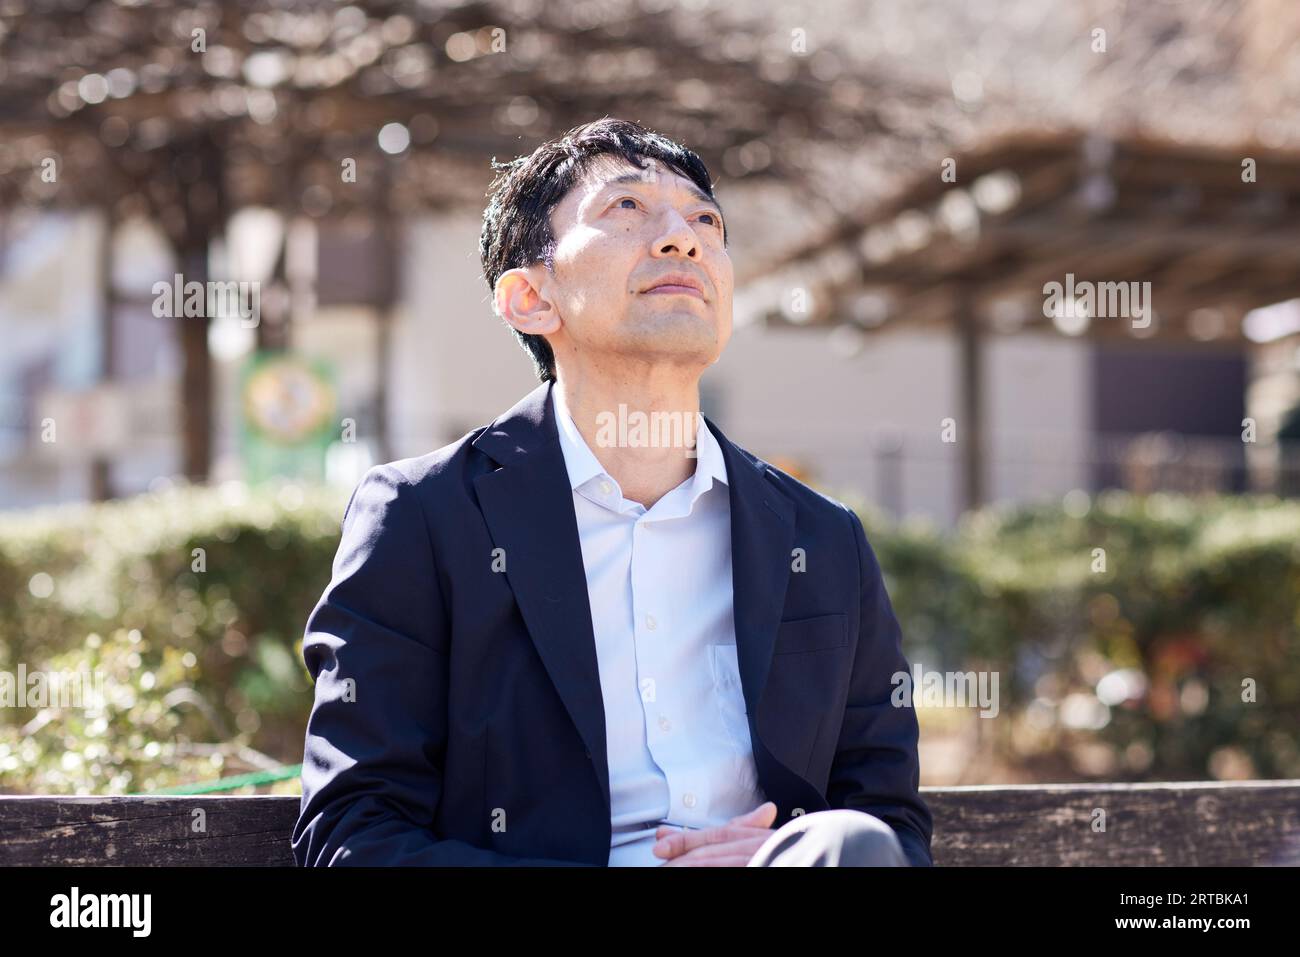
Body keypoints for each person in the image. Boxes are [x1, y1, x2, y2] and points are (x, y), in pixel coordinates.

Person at [292, 117, 933, 867]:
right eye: (626, 209)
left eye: (705, 220)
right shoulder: (424, 519)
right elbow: (353, 834)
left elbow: (891, 822)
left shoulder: (822, 540)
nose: (682, 239)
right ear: (531, 298)